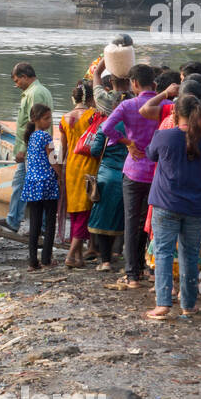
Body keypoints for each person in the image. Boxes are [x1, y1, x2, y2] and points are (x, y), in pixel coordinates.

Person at [144, 94, 201, 319]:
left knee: (164, 251)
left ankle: (163, 305)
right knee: (190, 253)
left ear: (175, 113)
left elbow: (150, 154)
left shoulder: (164, 136)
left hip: (166, 202)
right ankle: (188, 304)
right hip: (196, 204)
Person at [100, 63, 159, 290]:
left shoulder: (128, 105)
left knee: (131, 220)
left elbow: (106, 128)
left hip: (134, 170)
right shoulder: (165, 105)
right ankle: (150, 268)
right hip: (157, 172)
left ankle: (132, 274)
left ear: (134, 83)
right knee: (152, 221)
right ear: (153, 82)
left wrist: (127, 142)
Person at [0, 62, 52, 232]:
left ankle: (18, 221)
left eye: (17, 80)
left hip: (32, 148)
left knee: (24, 185)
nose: (16, 85)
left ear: (24, 77)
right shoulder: (37, 91)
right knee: (26, 185)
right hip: (34, 146)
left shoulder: (35, 93)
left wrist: (23, 148)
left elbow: (33, 123)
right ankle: (17, 220)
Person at [87, 88, 127, 271]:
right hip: (128, 176)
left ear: (114, 106)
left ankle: (105, 261)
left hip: (106, 176)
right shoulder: (135, 125)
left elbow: (95, 151)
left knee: (103, 219)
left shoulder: (106, 125)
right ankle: (118, 254)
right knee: (122, 216)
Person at [60, 80, 99, 267]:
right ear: (91, 98)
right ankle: (71, 255)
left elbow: (63, 150)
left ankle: (79, 258)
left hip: (71, 167)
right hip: (89, 166)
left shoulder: (64, 118)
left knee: (76, 210)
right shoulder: (93, 116)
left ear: (73, 98)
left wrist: (60, 172)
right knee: (85, 212)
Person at [22, 103, 60, 269]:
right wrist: (63, 175)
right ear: (36, 119)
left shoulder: (31, 136)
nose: (49, 122)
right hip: (47, 183)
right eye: (46, 119)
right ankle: (45, 259)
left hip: (32, 183)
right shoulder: (46, 137)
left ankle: (32, 261)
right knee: (50, 222)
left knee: (34, 223)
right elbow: (53, 161)